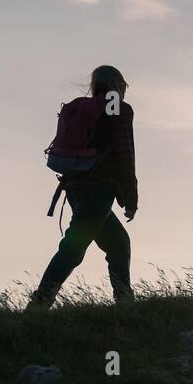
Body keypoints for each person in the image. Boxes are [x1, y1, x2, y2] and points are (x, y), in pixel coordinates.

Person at [29, 65, 138, 310]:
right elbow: (125, 154)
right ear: (118, 85)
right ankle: (40, 302)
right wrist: (131, 199)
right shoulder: (118, 109)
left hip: (76, 188)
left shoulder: (87, 110)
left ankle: (124, 302)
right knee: (74, 248)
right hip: (98, 191)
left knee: (118, 243)